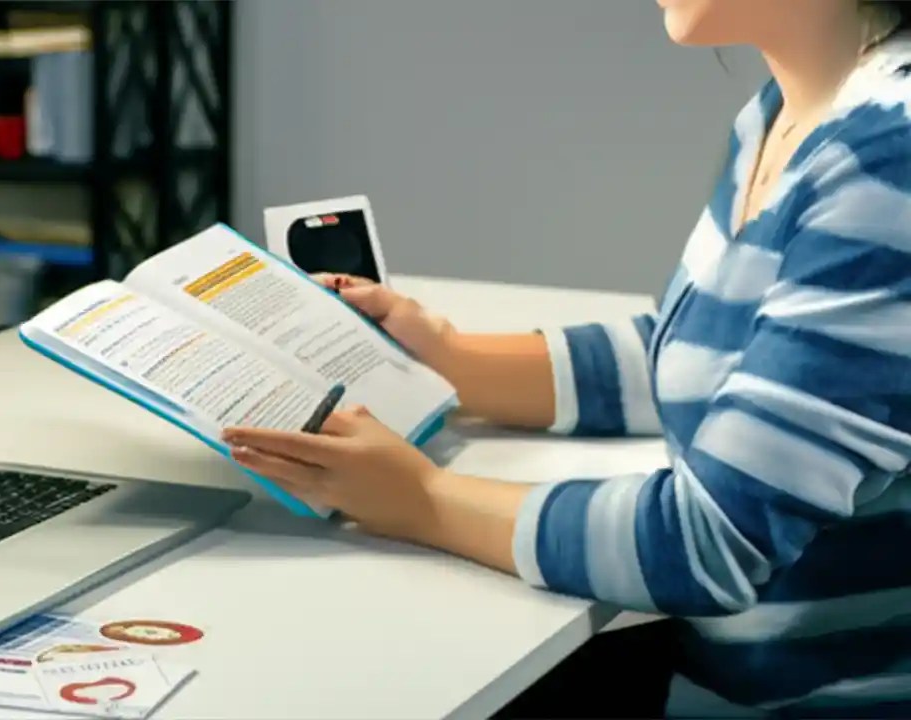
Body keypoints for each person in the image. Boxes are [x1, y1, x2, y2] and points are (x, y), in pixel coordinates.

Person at [220, 1, 911, 717]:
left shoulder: (887, 167)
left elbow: (706, 544)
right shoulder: (784, 115)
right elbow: (707, 354)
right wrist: (451, 360)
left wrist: (420, 499)